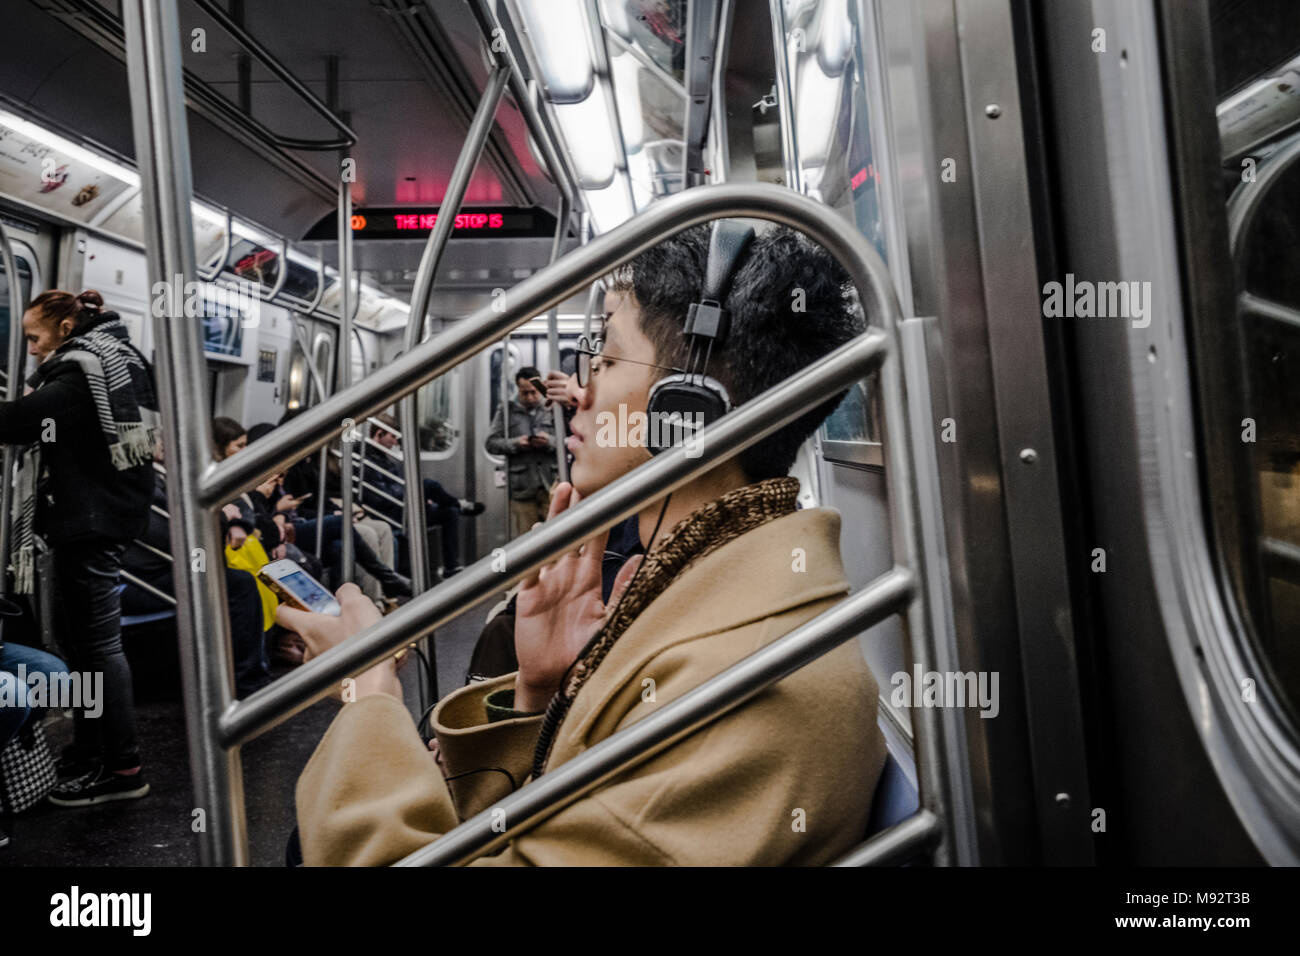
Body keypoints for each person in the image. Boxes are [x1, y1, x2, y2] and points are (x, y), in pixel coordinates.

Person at [282, 225, 886, 865]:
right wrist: (542, 698)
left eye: (608, 361)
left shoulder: (745, 686)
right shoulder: (707, 589)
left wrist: (368, 691)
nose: (581, 391)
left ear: (688, 405)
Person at [0, 289, 156, 806]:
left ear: (65, 327)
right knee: (85, 644)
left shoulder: (80, 371)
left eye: (35, 337)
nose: (34, 349)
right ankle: (92, 753)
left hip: (90, 521)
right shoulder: (120, 355)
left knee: (96, 647)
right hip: (105, 516)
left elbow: (19, 422)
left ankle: (121, 768)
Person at [363, 412, 484, 576]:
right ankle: (459, 504)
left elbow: (397, 487)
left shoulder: (384, 459)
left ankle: (451, 567)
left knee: (449, 513)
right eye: (392, 437)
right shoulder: (367, 461)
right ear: (379, 434)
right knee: (428, 485)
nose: (394, 442)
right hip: (390, 513)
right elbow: (380, 497)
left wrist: (416, 498)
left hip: (402, 508)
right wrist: (412, 494)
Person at [485, 366, 558, 536]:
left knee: (555, 539)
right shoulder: (507, 411)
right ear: (517, 389)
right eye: (525, 393)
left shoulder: (552, 407)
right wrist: (516, 443)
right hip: (522, 488)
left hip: (551, 485)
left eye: (534, 392)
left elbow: (569, 440)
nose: (530, 397)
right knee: (527, 540)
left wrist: (549, 442)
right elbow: (491, 443)